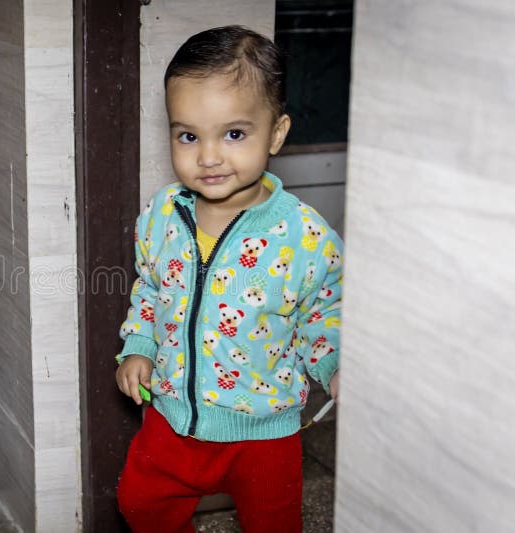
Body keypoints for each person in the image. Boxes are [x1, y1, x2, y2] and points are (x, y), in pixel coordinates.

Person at [114, 25, 342, 533]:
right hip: (174, 415)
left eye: (234, 134)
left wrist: (336, 366)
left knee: (274, 522)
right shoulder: (161, 215)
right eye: (188, 135)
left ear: (276, 134)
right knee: (139, 502)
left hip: (263, 431)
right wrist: (140, 346)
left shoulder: (305, 237)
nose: (209, 156)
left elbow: (324, 315)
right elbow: (150, 288)